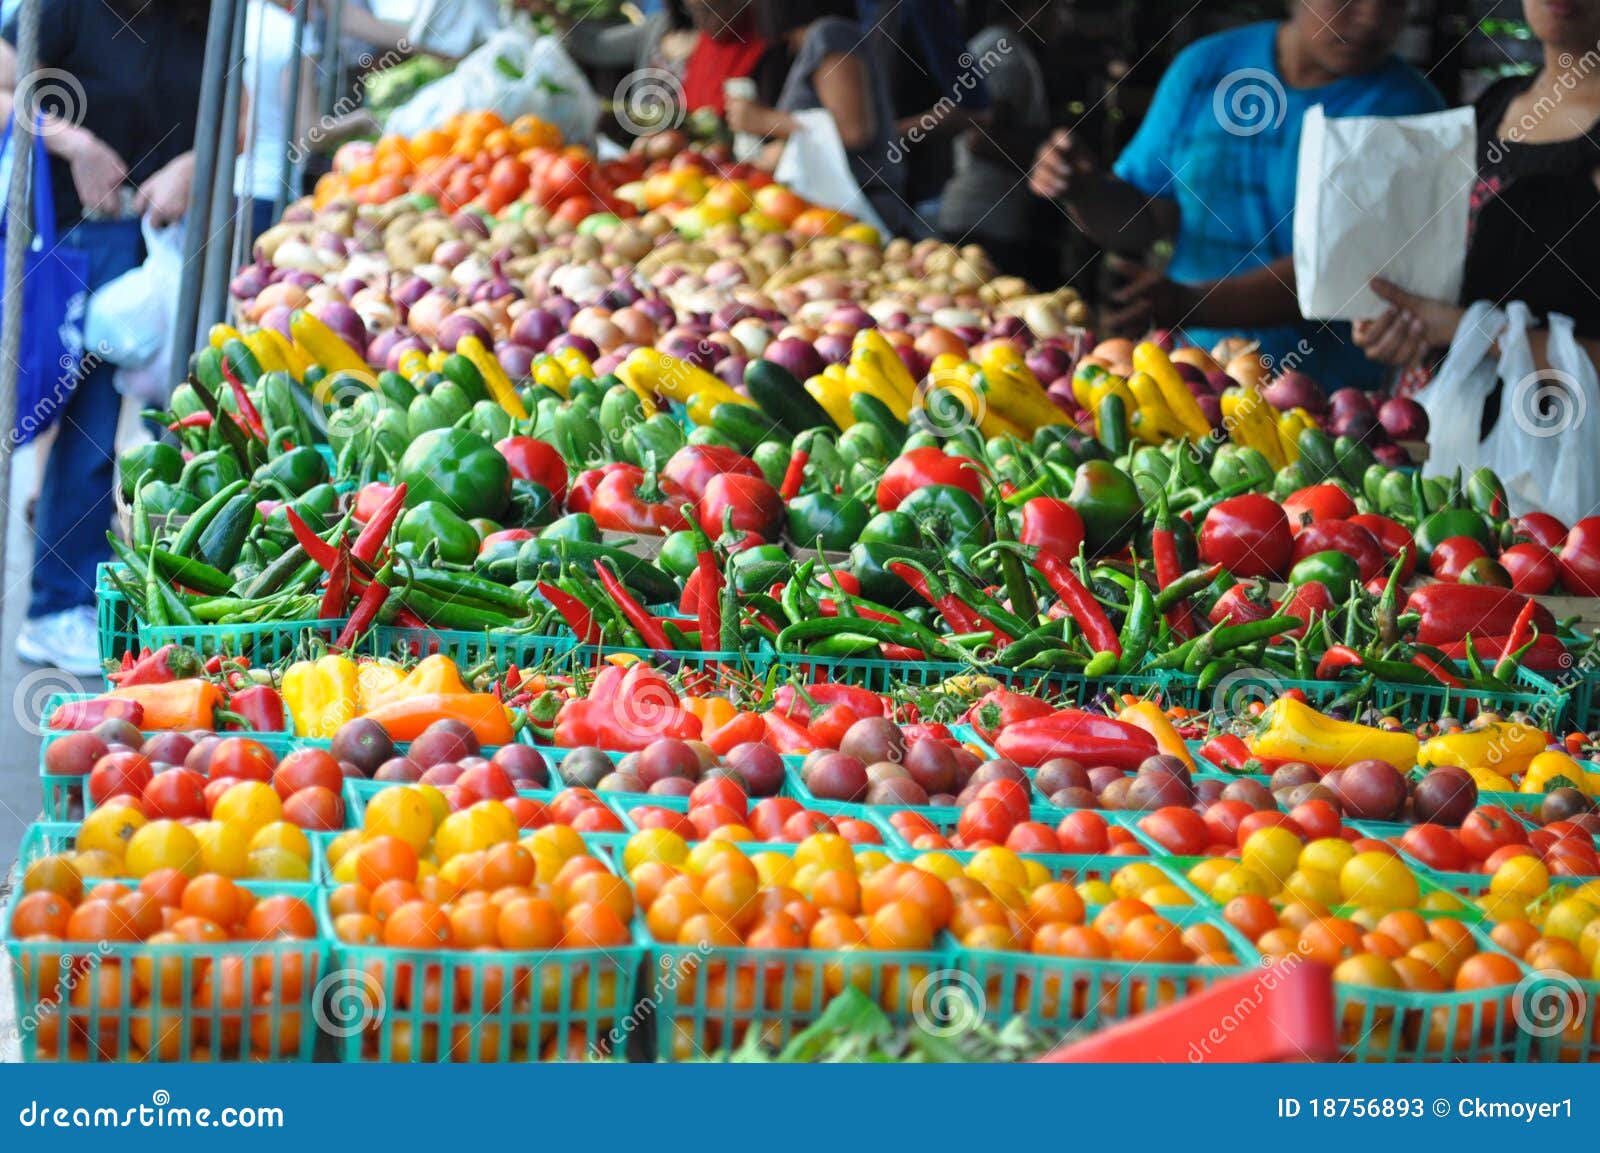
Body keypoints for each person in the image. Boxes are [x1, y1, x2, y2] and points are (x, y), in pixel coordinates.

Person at [1029, 0, 1442, 389]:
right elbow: (1145, 221)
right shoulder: (1206, 68)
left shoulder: (1410, 112)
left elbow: (1347, 269)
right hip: (1191, 379)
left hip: (1326, 403)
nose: (1371, 17)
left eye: (1393, 1)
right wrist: (1083, 190)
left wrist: (1192, 303)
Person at [2, 0, 209, 675]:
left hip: (172, 244)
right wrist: (74, 143)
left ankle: (144, 595)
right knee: (90, 429)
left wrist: (190, 165)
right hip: (79, 239)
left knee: (178, 424)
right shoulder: (63, 9)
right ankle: (57, 604)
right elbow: (4, 90)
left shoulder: (199, 16)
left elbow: (232, 118)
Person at [1354, 0, 1600, 377]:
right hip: (1444, 423)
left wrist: (1464, 330)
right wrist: (1403, 324)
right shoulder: (1495, 105)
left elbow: (1452, 322)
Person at [724, 0, 915, 235]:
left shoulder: (831, 33)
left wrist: (763, 120)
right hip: (829, 214)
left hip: (858, 213)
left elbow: (853, 131)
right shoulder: (811, 41)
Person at [937, 0, 1056, 281]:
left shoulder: (996, 46)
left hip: (985, 215)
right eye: (1056, 8)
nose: (1061, 20)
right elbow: (981, 138)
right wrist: (1046, 164)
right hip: (984, 219)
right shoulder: (1004, 54)